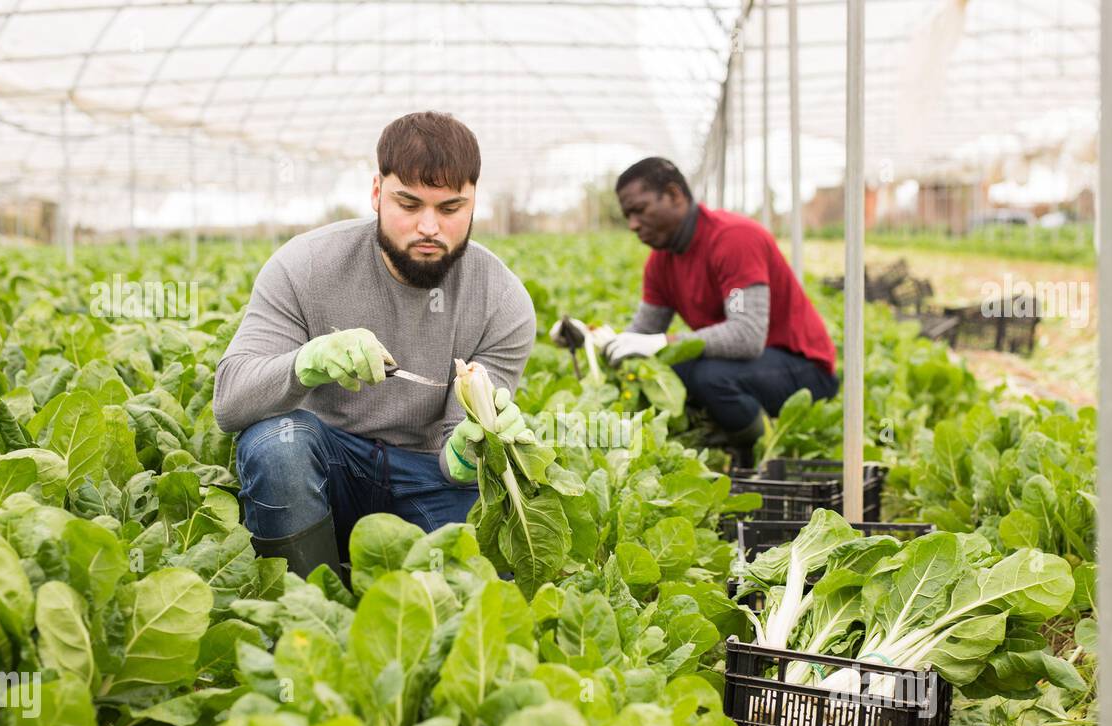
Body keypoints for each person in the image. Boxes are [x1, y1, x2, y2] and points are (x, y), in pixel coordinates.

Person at [213, 111, 535, 581]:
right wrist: (305, 363)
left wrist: (469, 451)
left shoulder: (502, 301)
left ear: (472, 204)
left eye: (450, 208)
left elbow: (452, 452)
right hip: (326, 467)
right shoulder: (303, 266)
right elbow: (230, 401)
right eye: (409, 204)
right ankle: (305, 610)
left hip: (428, 474)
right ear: (376, 193)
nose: (429, 227)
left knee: (481, 579)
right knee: (275, 441)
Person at [556, 157, 837, 466]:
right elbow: (641, 334)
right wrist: (588, 336)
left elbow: (747, 335)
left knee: (708, 377)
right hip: (744, 367)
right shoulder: (661, 262)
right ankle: (719, 436)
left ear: (675, 195)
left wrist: (665, 342)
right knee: (662, 371)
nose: (633, 225)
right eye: (627, 215)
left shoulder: (733, 239)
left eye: (640, 210)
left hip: (803, 368)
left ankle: (758, 456)